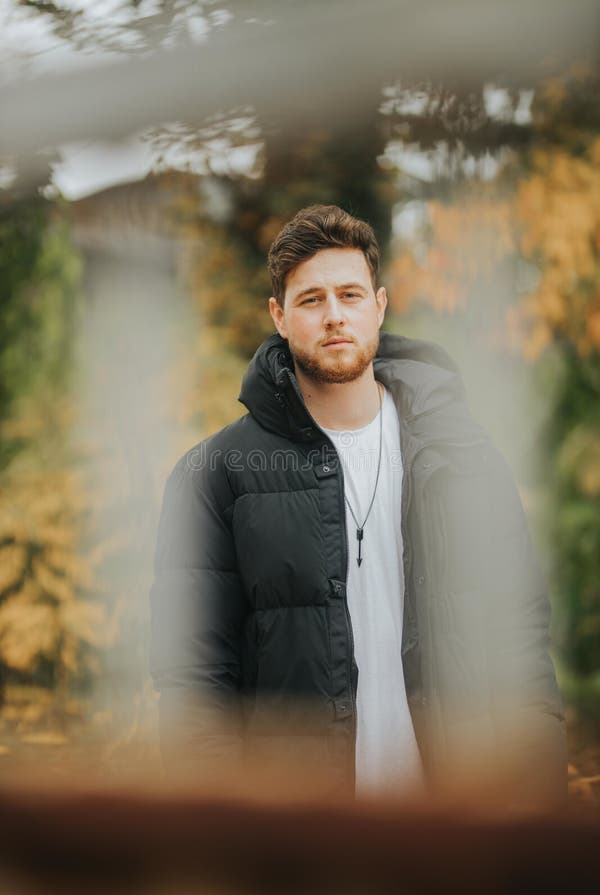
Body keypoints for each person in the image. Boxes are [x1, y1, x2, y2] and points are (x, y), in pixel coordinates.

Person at [149, 204, 567, 808]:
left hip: (459, 821)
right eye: (311, 300)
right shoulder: (215, 475)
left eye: (349, 294)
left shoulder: (463, 458)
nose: (335, 315)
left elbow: (522, 640)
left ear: (380, 303)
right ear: (279, 316)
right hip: (301, 836)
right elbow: (193, 683)